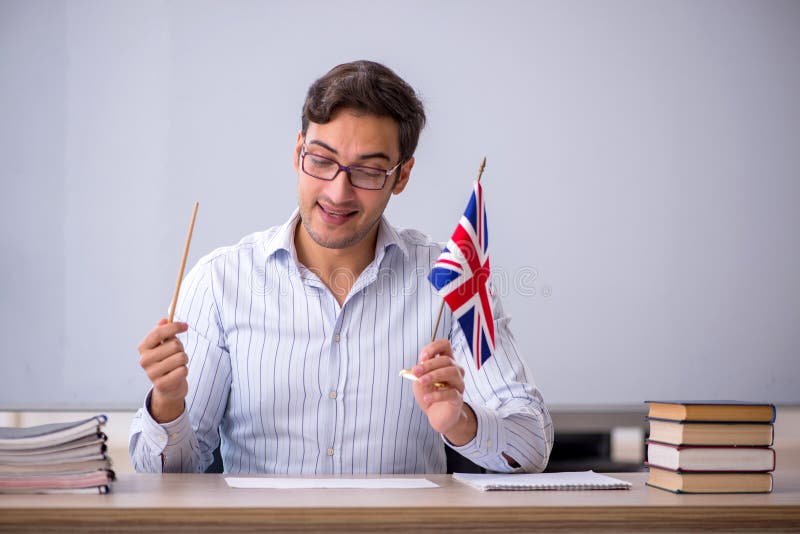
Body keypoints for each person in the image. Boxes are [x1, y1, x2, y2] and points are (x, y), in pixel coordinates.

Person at [129, 60, 553, 474]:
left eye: (369, 171)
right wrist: (167, 402)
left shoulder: (450, 279)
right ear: (299, 152)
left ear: (401, 176)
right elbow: (165, 476)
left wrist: (460, 423)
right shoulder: (219, 282)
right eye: (322, 160)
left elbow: (532, 445)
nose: (338, 191)